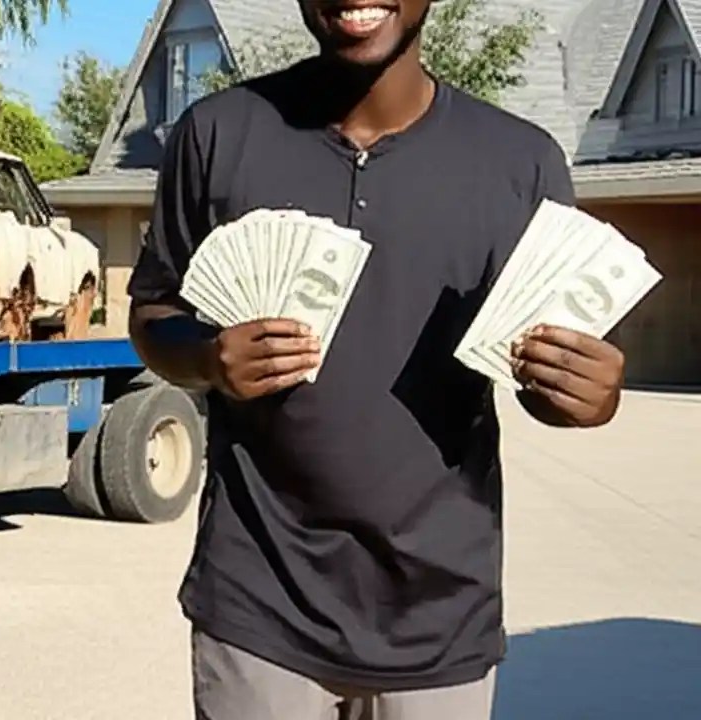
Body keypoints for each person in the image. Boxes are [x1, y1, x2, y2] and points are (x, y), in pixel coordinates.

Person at [125, 0, 628, 718]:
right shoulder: (218, 133)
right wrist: (207, 360)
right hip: (258, 602)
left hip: (439, 615)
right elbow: (154, 311)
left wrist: (587, 396)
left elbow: (544, 374)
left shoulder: (521, 161)